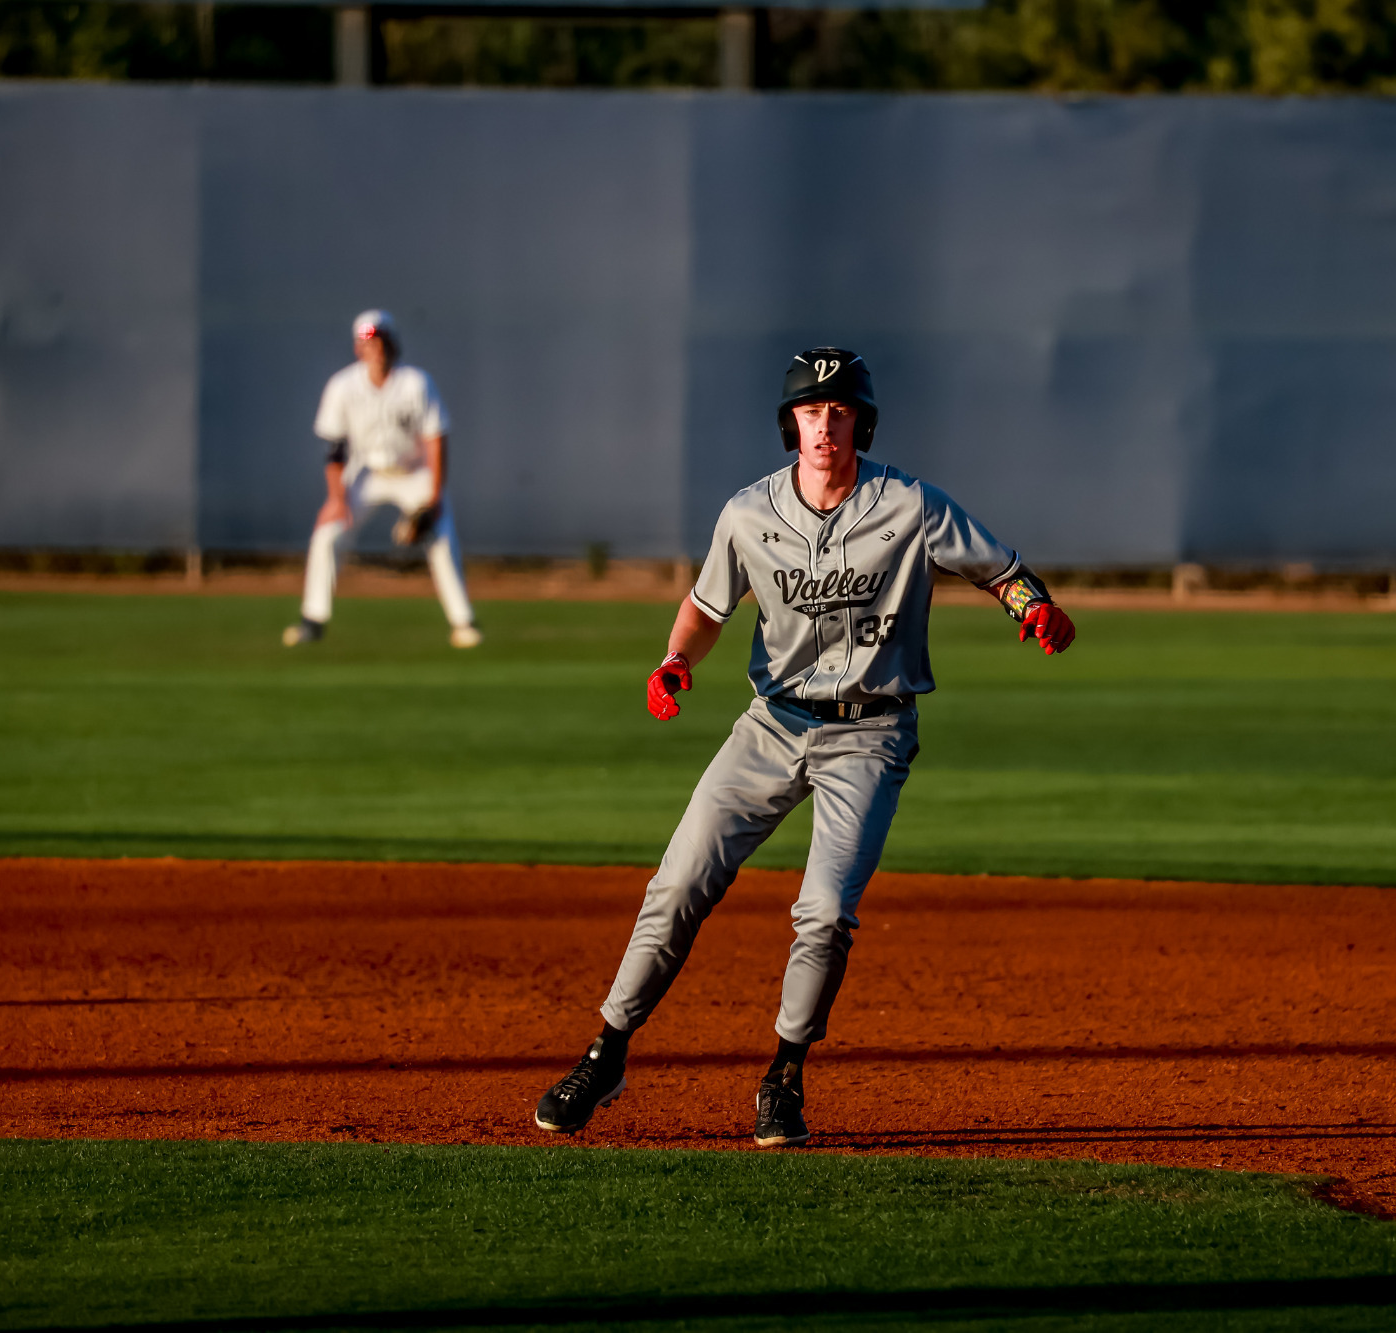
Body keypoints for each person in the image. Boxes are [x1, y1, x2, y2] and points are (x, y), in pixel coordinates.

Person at [533, 347, 1076, 1147]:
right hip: (771, 722)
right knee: (677, 882)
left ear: (861, 420)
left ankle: (783, 1075)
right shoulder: (748, 514)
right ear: (790, 423)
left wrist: (1034, 607)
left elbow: (1002, 569)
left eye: (838, 410)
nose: (824, 425)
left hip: (871, 730)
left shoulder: (910, 505)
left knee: (824, 911)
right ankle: (605, 1051)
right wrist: (676, 658)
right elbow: (704, 605)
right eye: (810, 411)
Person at [283, 310, 482, 649]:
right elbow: (335, 449)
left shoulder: (415, 383)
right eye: (367, 341)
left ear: (392, 342)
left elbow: (436, 440)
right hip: (367, 474)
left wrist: (433, 498)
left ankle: (463, 622)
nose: (374, 347)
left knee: (441, 536)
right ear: (358, 347)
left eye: (380, 339)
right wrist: (335, 498)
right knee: (328, 533)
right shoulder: (343, 386)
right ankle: (313, 620)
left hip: (414, 473)